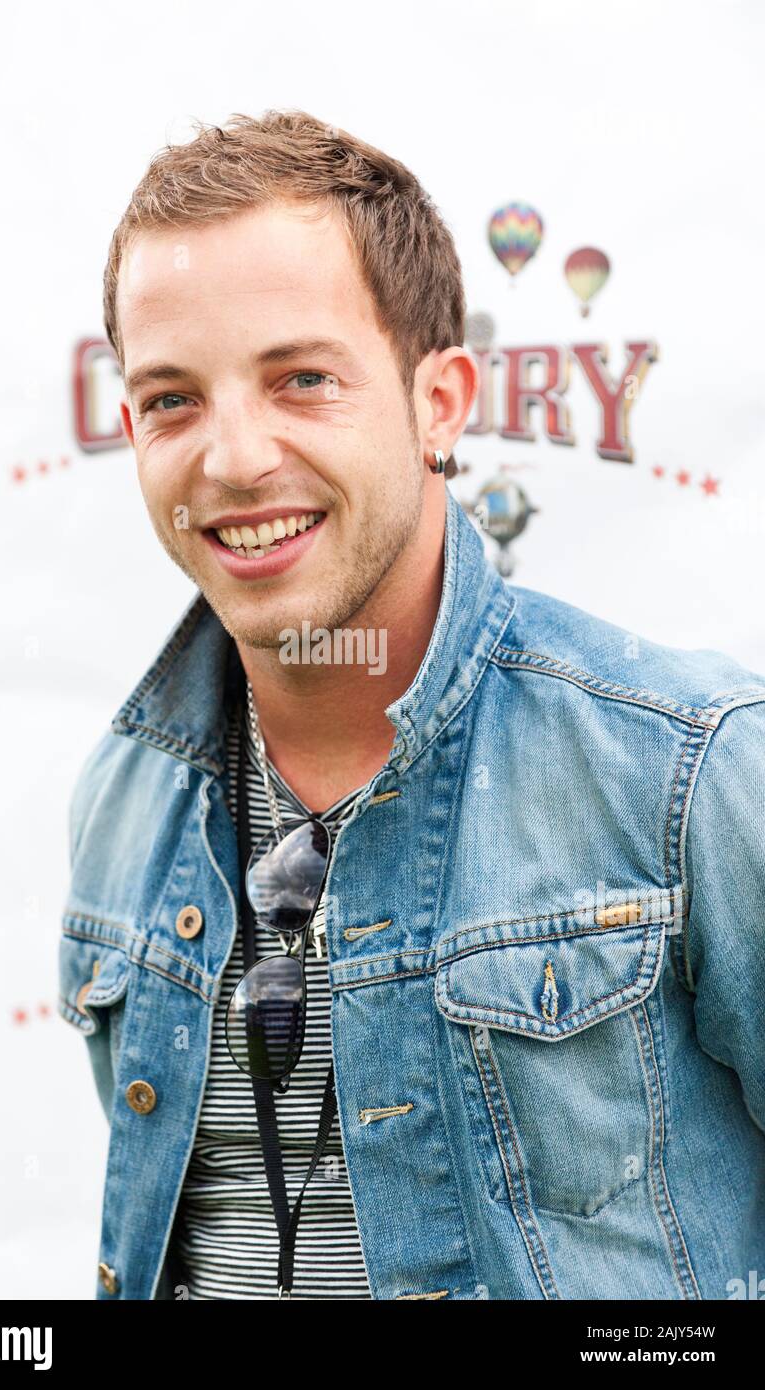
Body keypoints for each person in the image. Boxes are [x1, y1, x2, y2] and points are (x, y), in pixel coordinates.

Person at [59, 109, 765, 1301]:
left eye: (303, 380)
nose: (234, 458)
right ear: (131, 429)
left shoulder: (691, 770)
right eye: (174, 399)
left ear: (440, 402)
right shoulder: (122, 797)